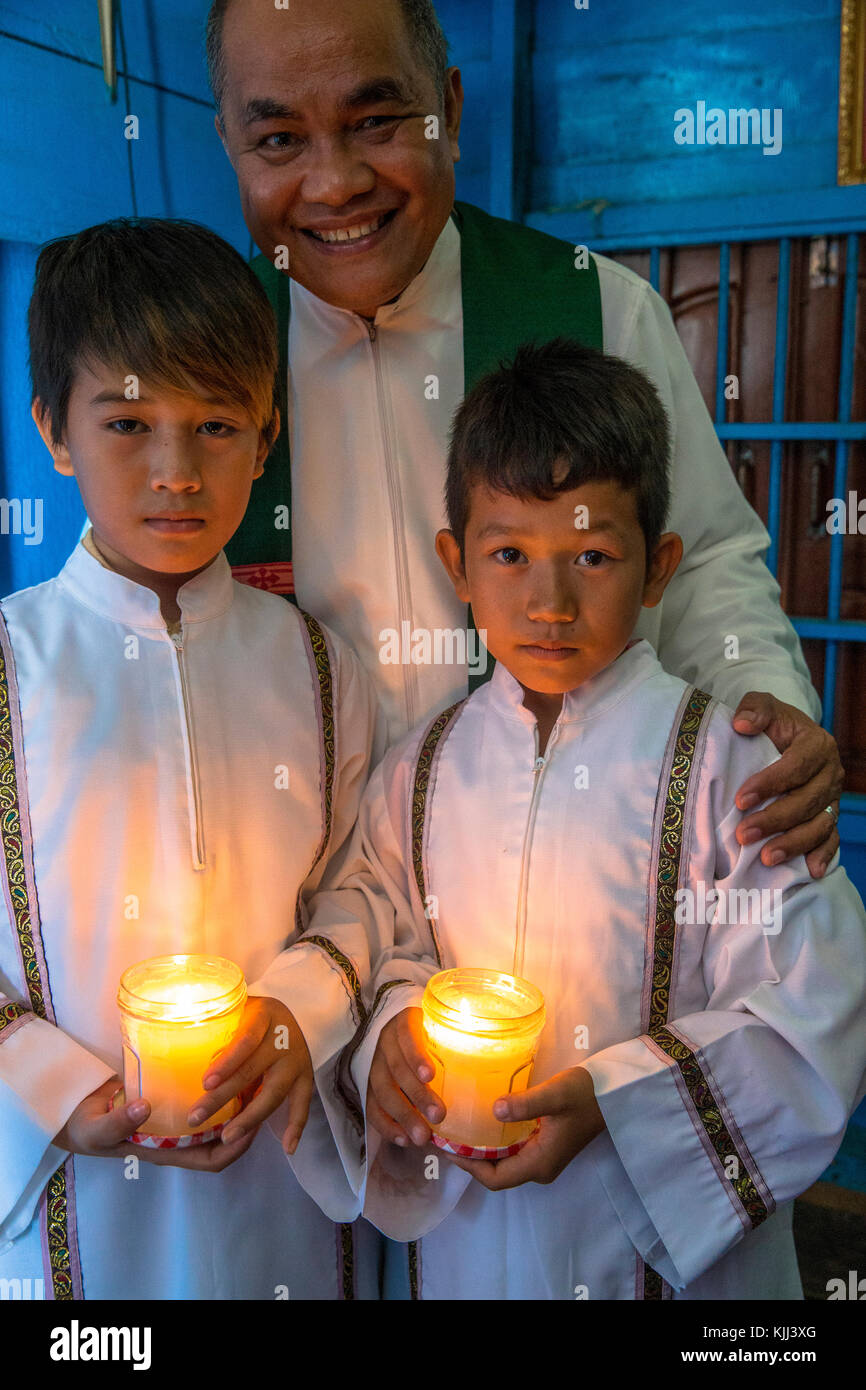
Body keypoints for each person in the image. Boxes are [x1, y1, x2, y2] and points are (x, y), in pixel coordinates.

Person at [204, 0, 843, 884]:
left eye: (377, 121)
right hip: (299, 889)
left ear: (452, 111)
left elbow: (702, 560)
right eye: (279, 141)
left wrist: (759, 711)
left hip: (567, 871)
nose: (336, 182)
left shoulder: (597, 310)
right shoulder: (203, 365)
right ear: (231, 146)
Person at [294, 341, 866, 1299]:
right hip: (468, 1250)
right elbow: (382, 938)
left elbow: (817, 1015)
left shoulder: (734, 771)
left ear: (659, 567)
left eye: (592, 556)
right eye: (509, 554)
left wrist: (616, 1100)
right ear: (456, 565)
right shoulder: (421, 772)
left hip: (676, 1273)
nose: (549, 602)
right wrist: (391, 1034)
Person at [0, 218, 381, 1299]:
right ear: (54, 430)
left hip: (279, 1165)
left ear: (264, 441)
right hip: (72, 1185)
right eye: (127, 422)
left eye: (216, 426)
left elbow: (361, 884)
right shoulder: (10, 663)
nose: (176, 473)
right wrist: (47, 1085)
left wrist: (295, 1016)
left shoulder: (317, 665)